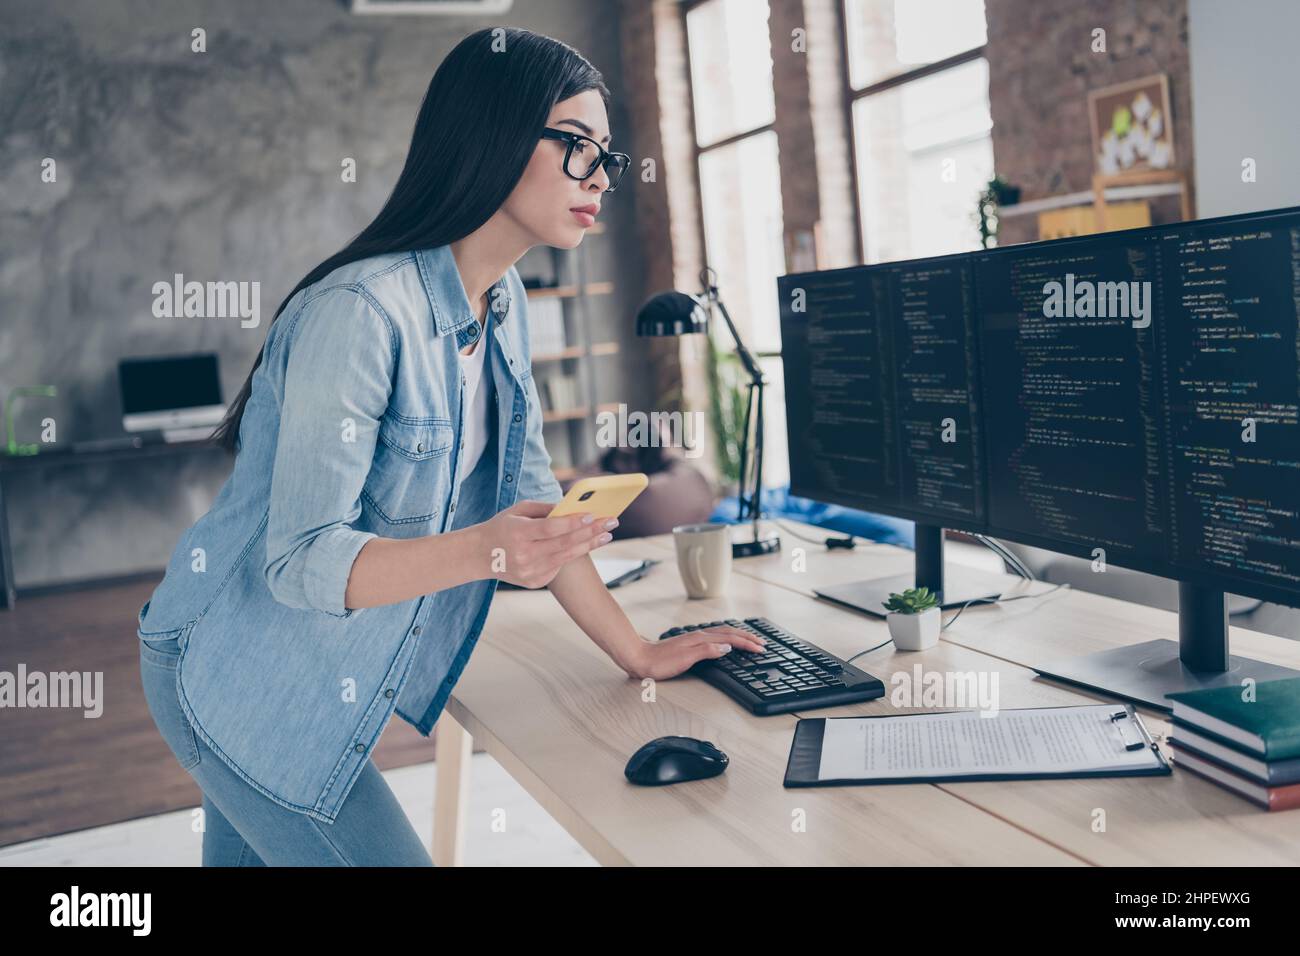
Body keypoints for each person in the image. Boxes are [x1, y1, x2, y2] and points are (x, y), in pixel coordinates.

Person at [136, 27, 764, 866]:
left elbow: (535, 494)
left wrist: (638, 650)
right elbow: (301, 560)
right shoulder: (359, 315)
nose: (602, 178)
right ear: (493, 136)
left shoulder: (503, 302)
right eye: (579, 148)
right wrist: (489, 550)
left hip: (315, 676)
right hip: (238, 674)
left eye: (608, 156)